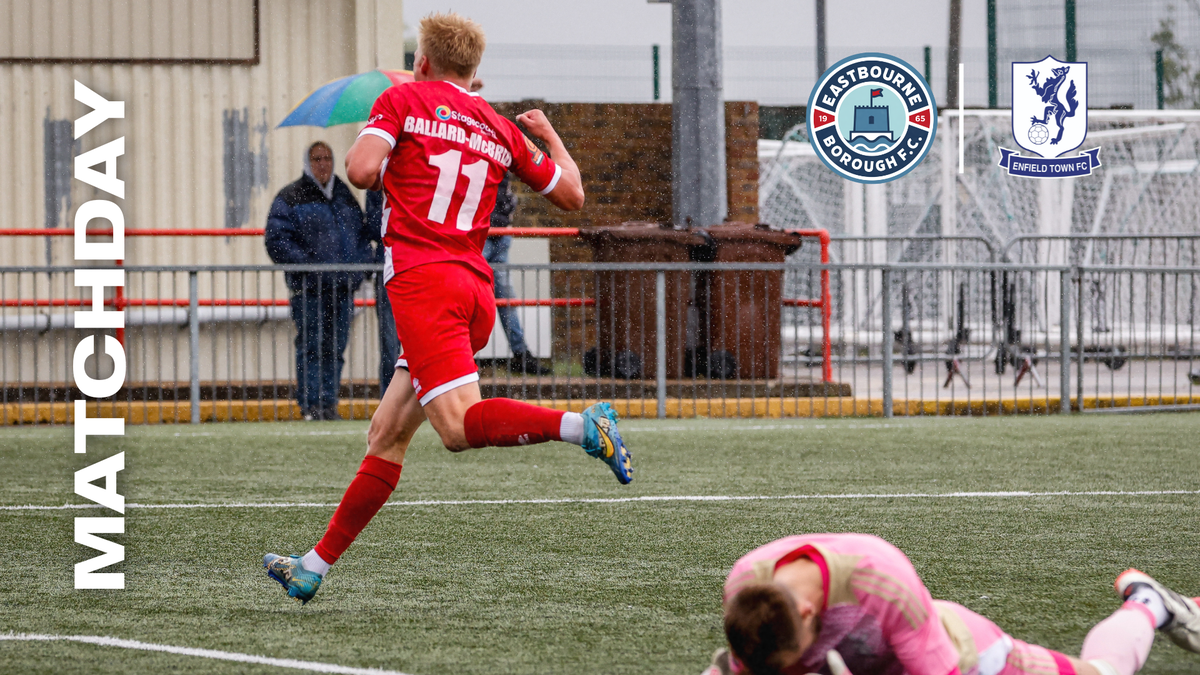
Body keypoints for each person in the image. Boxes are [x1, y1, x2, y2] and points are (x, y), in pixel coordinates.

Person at [262, 12, 633, 604]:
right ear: (474, 71)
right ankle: (312, 566)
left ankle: (583, 425)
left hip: (424, 284)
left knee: (458, 428)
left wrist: (394, 153)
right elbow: (572, 195)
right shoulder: (495, 122)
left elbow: (359, 170)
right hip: (472, 287)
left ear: (423, 60)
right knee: (385, 434)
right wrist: (547, 134)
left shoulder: (404, 101)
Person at [706, 533, 1200, 675]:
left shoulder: (882, 578)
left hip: (960, 655)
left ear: (814, 615)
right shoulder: (745, 586)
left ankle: (1148, 605)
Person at [265, 142, 372, 421]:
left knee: (335, 348)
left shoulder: (344, 195)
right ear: (307, 162)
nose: (322, 164)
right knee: (312, 347)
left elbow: (360, 236)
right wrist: (310, 267)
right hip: (309, 289)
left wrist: (358, 270)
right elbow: (277, 240)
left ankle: (327, 403)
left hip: (342, 288)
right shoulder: (291, 197)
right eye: (316, 159)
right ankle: (311, 405)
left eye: (326, 158)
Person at [483, 171, 552, 375]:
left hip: (499, 232)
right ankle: (462, 358)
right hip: (484, 232)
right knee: (471, 297)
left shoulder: (497, 151)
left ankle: (521, 354)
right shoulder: (479, 148)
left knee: (506, 299)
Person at [364, 188, 401, 395]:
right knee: (390, 344)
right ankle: (392, 398)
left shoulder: (379, 179)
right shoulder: (380, 179)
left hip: (394, 264)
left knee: (393, 343)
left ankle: (396, 400)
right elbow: (372, 225)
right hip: (393, 267)